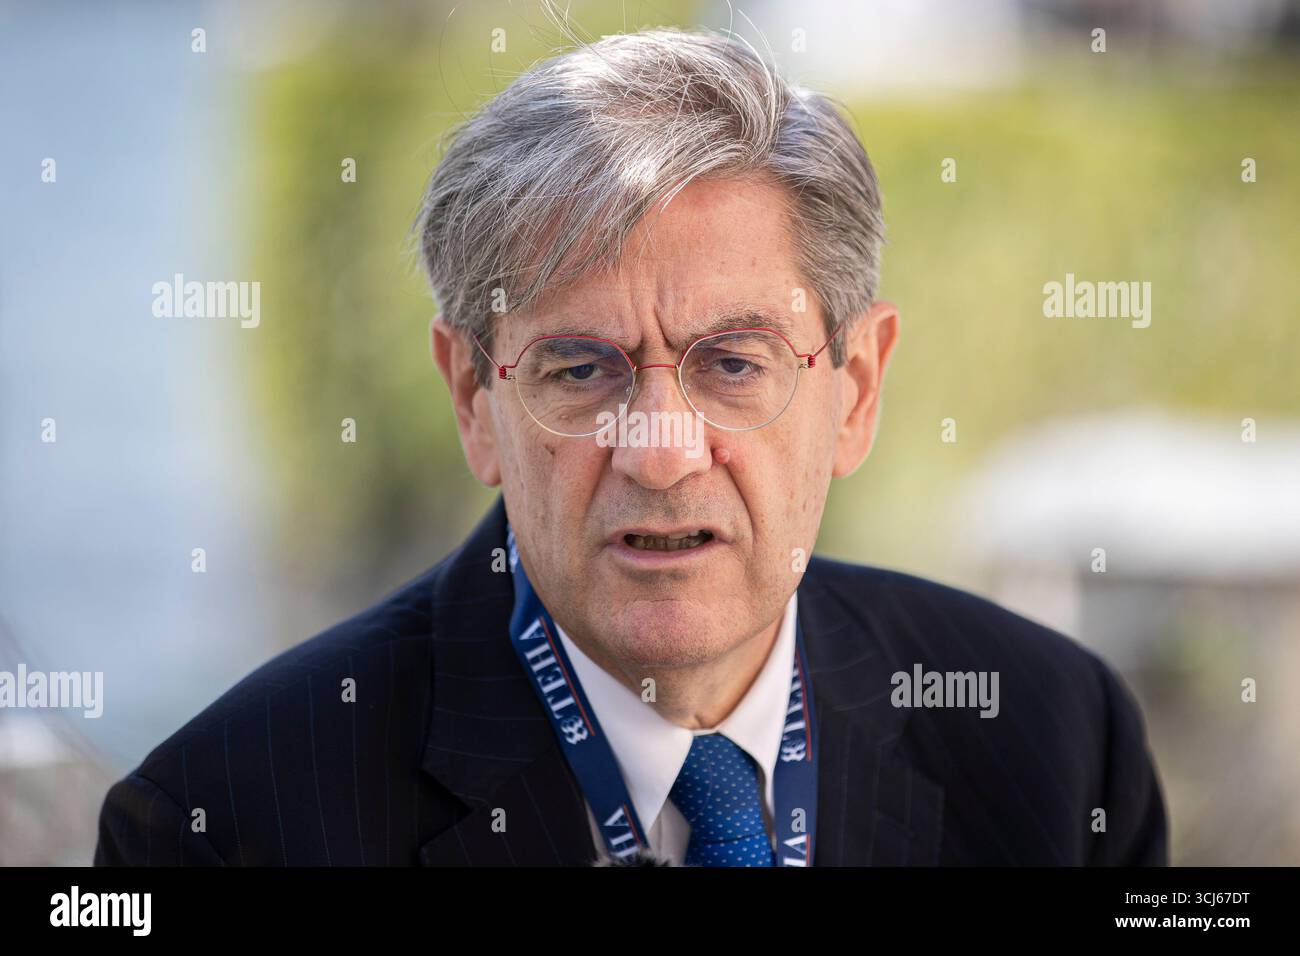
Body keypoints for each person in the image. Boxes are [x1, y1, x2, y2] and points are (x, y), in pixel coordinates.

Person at [94, 27, 1166, 867]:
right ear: (474, 396)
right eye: (581, 369)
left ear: (856, 389)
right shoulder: (223, 822)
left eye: (734, 364)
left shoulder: (1055, 739)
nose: (660, 455)